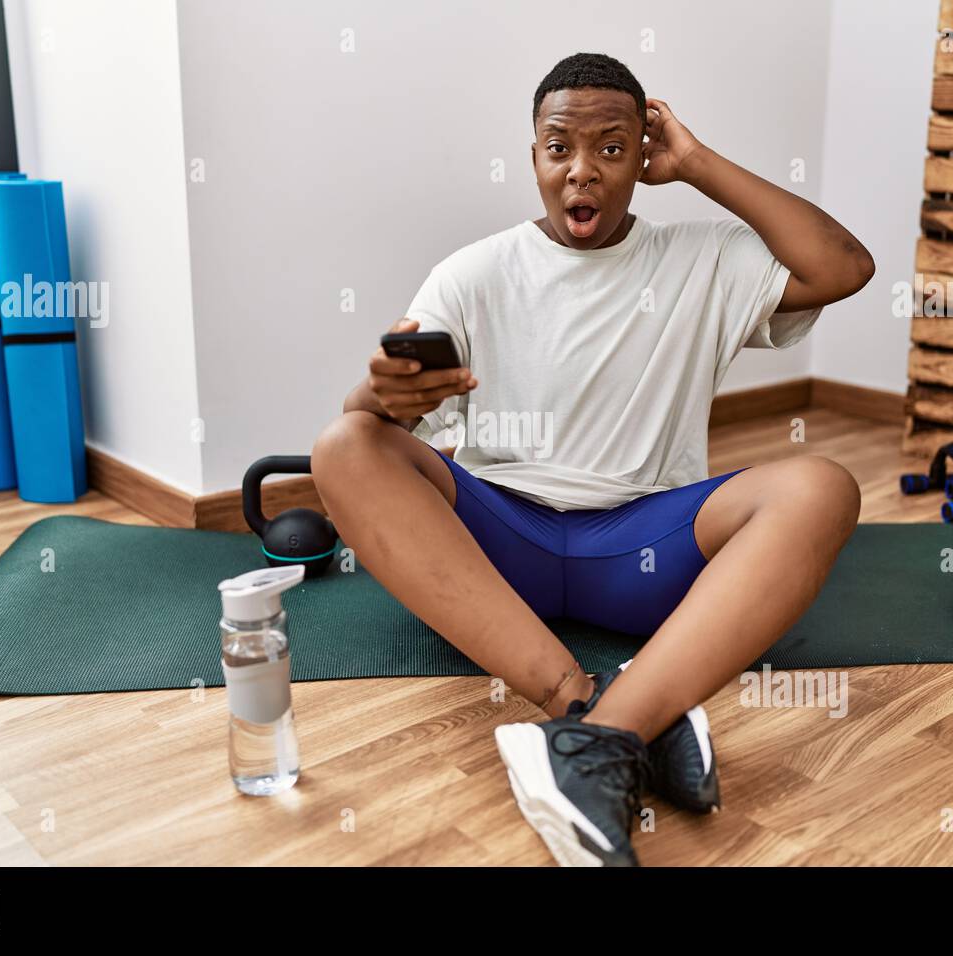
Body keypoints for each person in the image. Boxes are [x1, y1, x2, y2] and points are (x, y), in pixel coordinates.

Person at [312, 52, 873, 866]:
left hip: (647, 551)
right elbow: (369, 420)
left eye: (613, 148)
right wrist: (379, 399)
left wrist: (701, 165)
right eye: (559, 148)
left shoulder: (704, 258)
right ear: (534, 155)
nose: (583, 171)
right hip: (503, 549)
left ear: (645, 159)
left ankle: (598, 739)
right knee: (343, 443)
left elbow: (845, 267)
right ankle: (583, 701)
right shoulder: (473, 272)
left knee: (822, 487)